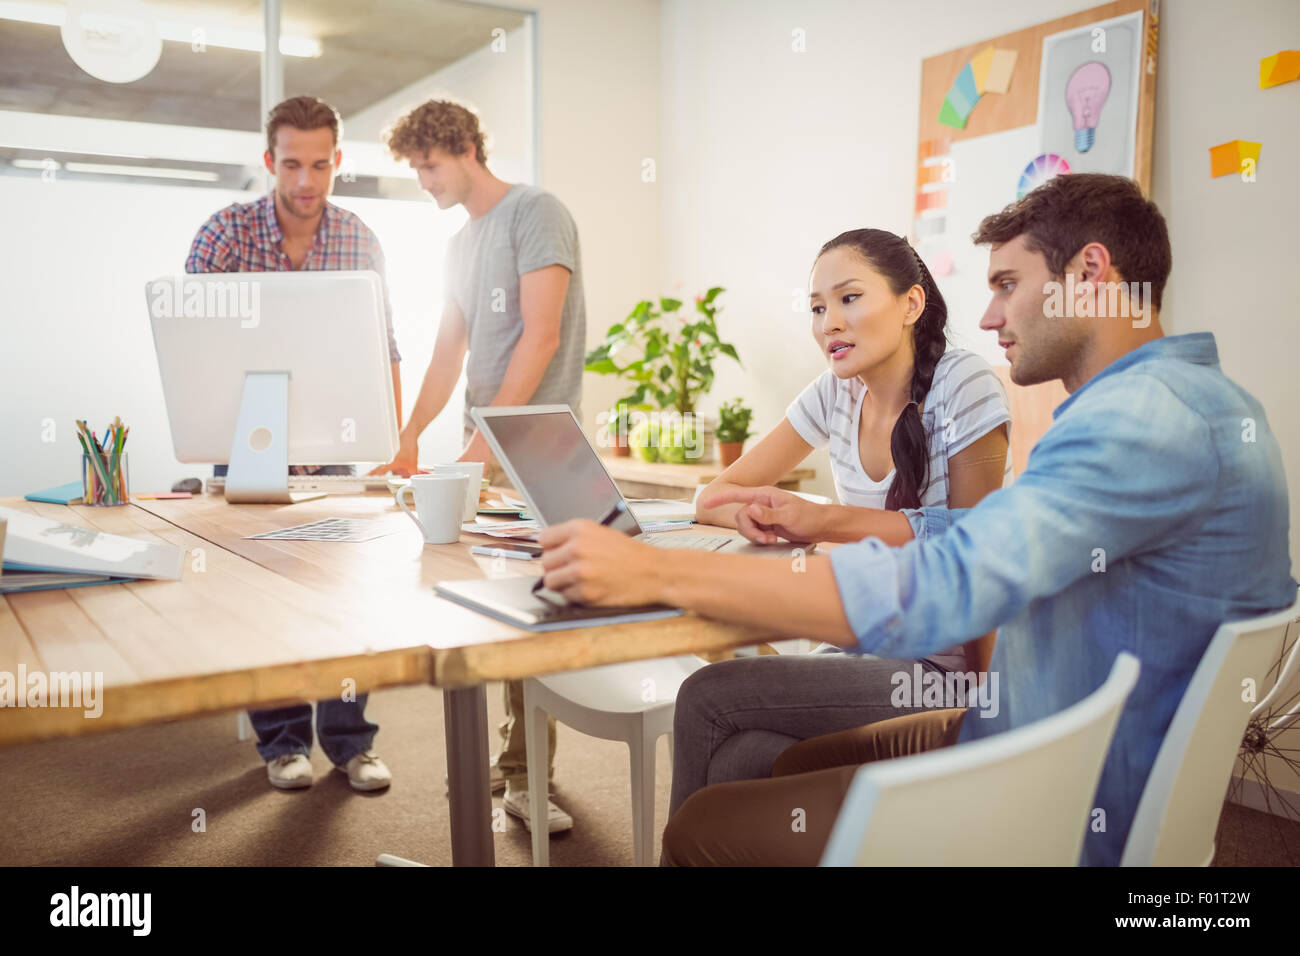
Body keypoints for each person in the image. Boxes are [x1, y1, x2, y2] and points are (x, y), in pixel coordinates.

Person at [533, 173, 1295, 865]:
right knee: (742, 760)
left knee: (704, 828)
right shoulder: (1177, 403)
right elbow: (976, 536)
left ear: (1089, 274)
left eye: (1007, 283)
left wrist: (658, 567)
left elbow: (941, 587)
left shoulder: (1141, 423)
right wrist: (825, 524)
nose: (991, 314)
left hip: (1052, 793)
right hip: (1029, 728)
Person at [680, 227, 1010, 784]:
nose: (827, 322)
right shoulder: (836, 391)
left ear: (911, 303)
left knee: (708, 694)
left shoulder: (963, 383)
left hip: (940, 673)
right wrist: (747, 512)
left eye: (849, 298)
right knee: (740, 757)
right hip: (860, 646)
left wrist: (982, 719)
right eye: (816, 307)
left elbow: (980, 545)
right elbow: (711, 496)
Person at [374, 99, 586, 834]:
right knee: (483, 612)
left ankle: (528, 779)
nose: (424, 181)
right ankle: (502, 766)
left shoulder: (537, 212)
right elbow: (446, 354)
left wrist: (481, 444)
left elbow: (542, 335)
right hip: (486, 450)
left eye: (429, 166)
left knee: (533, 615)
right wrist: (408, 438)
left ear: (466, 148)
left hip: (541, 448)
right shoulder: (461, 245)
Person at [186, 95, 399, 793]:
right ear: (268, 160)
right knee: (263, 599)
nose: (305, 181)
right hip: (248, 444)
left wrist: (394, 441)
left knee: (343, 599)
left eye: (319, 164)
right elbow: (195, 352)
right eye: (290, 163)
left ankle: (350, 744)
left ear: (337, 161)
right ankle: (282, 744)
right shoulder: (225, 235)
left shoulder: (358, 237)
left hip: (332, 445)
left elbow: (383, 346)